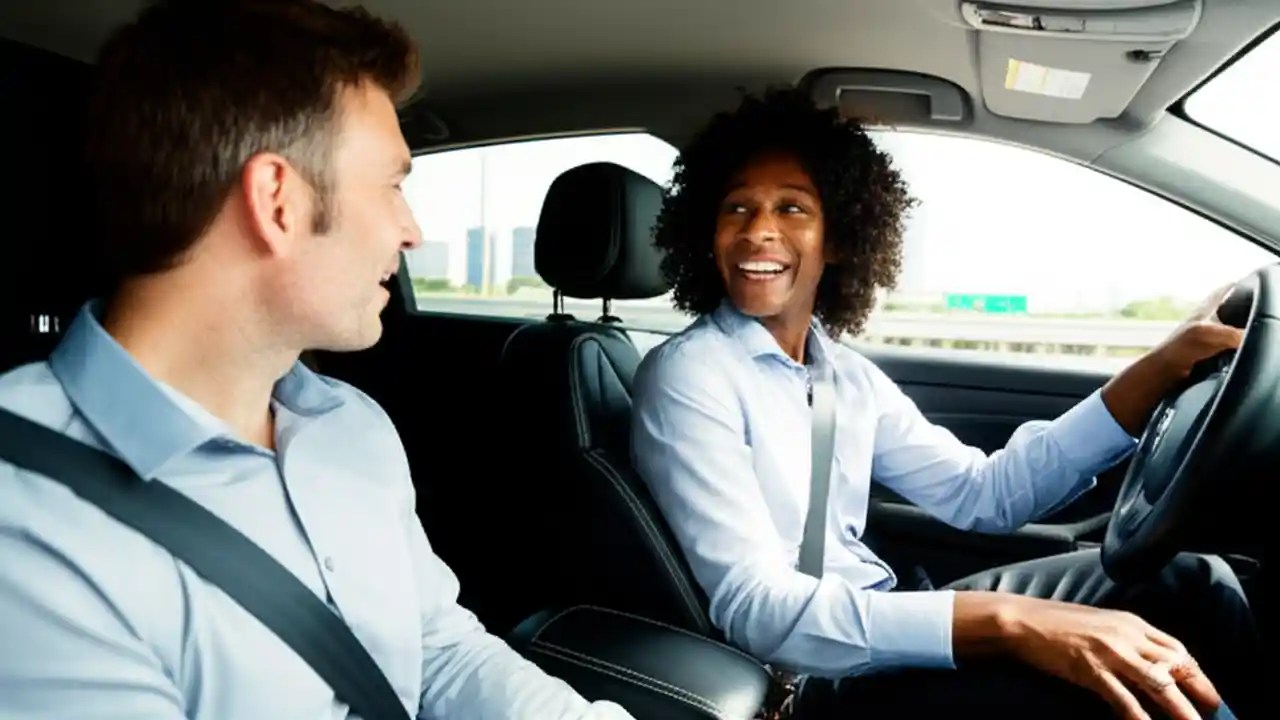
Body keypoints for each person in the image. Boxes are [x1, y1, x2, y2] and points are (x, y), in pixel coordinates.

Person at [0, 1, 633, 719]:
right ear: (279, 202)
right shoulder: (30, 522)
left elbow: (439, 652)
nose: (411, 231)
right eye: (393, 186)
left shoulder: (348, 425)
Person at [630, 88, 1261, 720]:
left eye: (791, 207)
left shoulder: (843, 374)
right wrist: (1012, 621)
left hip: (878, 625)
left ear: (839, 238)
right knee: (1117, 676)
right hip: (815, 679)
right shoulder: (692, 373)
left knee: (1191, 586)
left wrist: (1157, 371)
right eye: (736, 208)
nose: (757, 230)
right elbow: (760, 612)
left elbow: (984, 493)